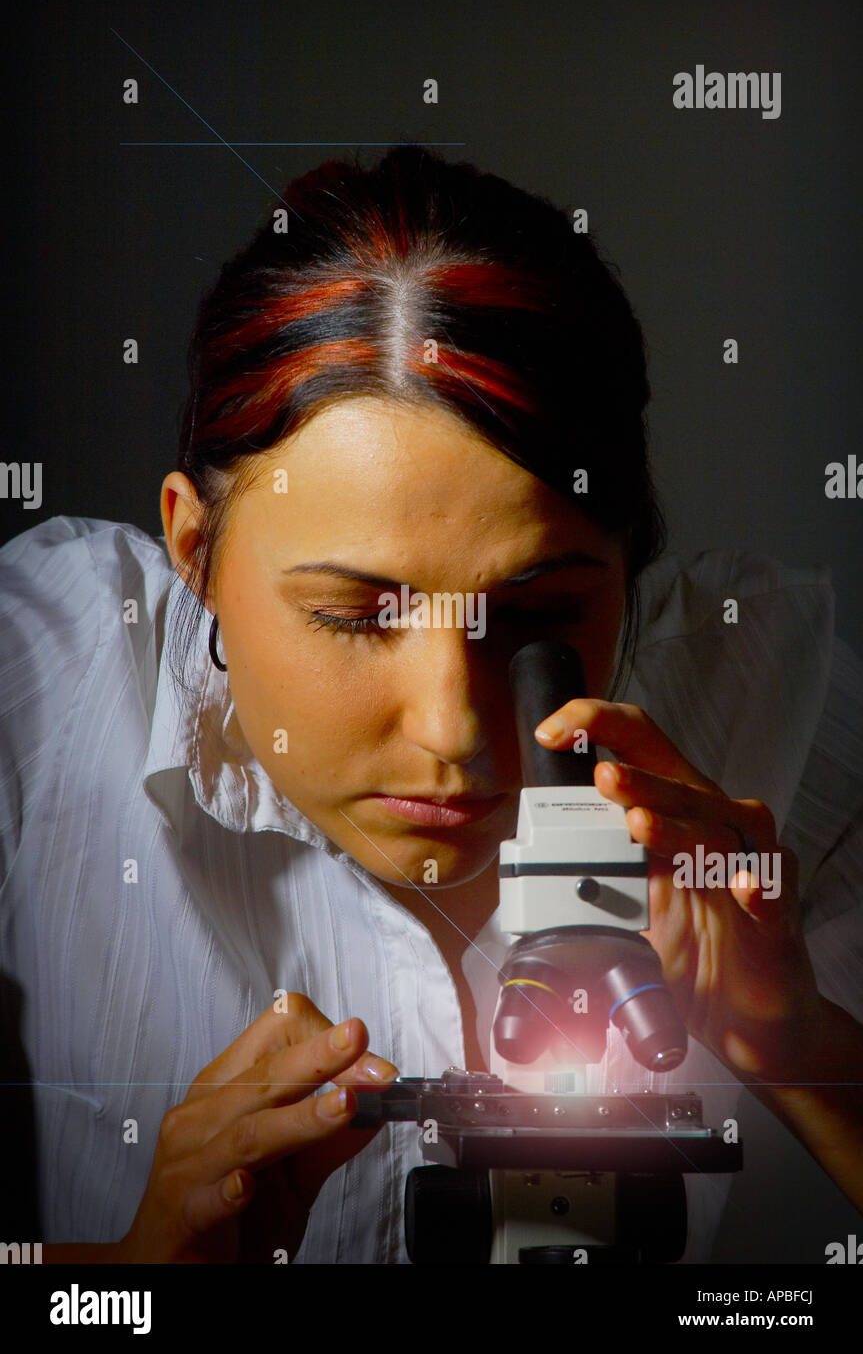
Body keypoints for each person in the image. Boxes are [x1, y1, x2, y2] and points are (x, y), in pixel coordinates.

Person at [0, 145, 860, 1265]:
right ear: (194, 549)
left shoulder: (768, 691)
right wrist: (130, 1282)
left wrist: (798, 1040)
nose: (454, 733)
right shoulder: (33, 682)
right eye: (356, 614)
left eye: (537, 616)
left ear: (629, 566)